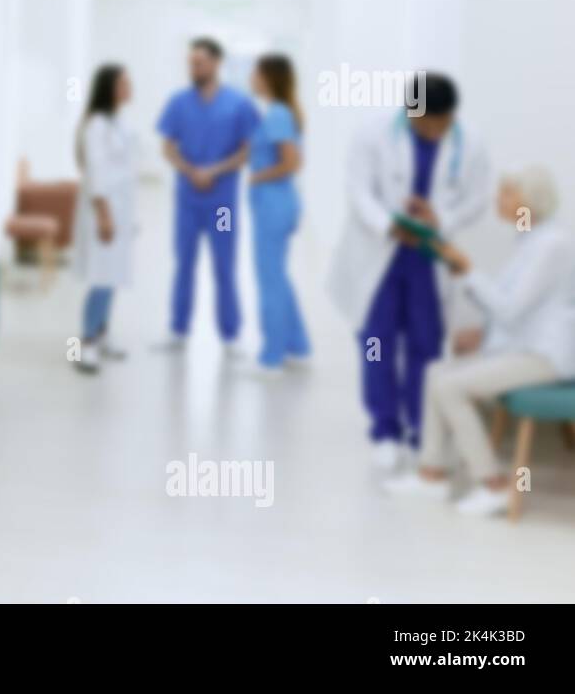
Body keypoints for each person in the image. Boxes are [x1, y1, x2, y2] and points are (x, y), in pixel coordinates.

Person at [385, 167, 574, 515]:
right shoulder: (530, 238)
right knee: (436, 373)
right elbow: (513, 302)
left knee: (451, 387)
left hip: (543, 357)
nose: (497, 200)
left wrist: (467, 269)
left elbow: (511, 309)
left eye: (506, 194)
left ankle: (494, 484)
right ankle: (432, 475)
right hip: (523, 347)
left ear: (527, 203)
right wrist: (482, 331)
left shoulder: (551, 246)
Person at [327, 73, 490, 472]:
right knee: (376, 344)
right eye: (426, 125)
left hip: (426, 256)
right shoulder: (373, 133)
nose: (434, 132)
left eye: (442, 124)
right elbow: (358, 190)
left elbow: (478, 199)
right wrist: (388, 223)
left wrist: (442, 216)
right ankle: (385, 430)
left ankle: (421, 428)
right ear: (410, 112)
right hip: (380, 253)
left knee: (427, 345)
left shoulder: (469, 142)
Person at [155, 37, 258, 353]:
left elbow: (247, 151)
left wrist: (212, 171)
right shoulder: (178, 102)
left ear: (216, 63)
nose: (193, 67)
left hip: (222, 204)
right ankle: (178, 329)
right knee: (184, 262)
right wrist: (190, 171)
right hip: (188, 200)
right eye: (190, 62)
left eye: (198, 62)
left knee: (224, 264)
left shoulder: (239, 104)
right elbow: (167, 147)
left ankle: (231, 335)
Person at [243, 54, 310, 376]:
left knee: (270, 281)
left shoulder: (278, 114)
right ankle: (297, 346)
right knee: (278, 277)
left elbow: (291, 162)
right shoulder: (277, 112)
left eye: (255, 73)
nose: (250, 78)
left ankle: (271, 358)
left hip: (273, 204)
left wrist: (256, 176)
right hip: (275, 204)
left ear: (268, 78)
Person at [72, 64, 136, 373]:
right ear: (109, 87)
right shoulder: (96, 125)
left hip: (119, 210)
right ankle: (83, 345)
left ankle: (102, 334)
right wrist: (105, 216)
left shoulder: (117, 122)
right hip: (103, 211)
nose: (130, 87)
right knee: (101, 279)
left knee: (112, 278)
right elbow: (96, 174)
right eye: (124, 83)